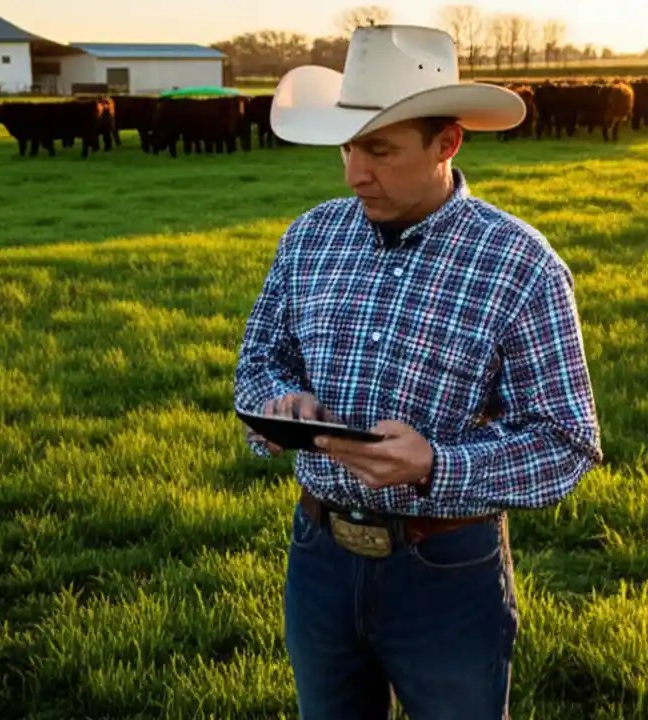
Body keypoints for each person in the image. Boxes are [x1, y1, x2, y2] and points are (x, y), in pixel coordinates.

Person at [233, 24, 602, 720]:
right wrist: (279, 405)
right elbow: (259, 360)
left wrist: (434, 465)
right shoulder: (310, 236)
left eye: (379, 149)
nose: (353, 172)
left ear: (447, 143)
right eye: (347, 145)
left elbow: (567, 443)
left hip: (447, 571)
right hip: (318, 556)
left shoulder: (520, 265)